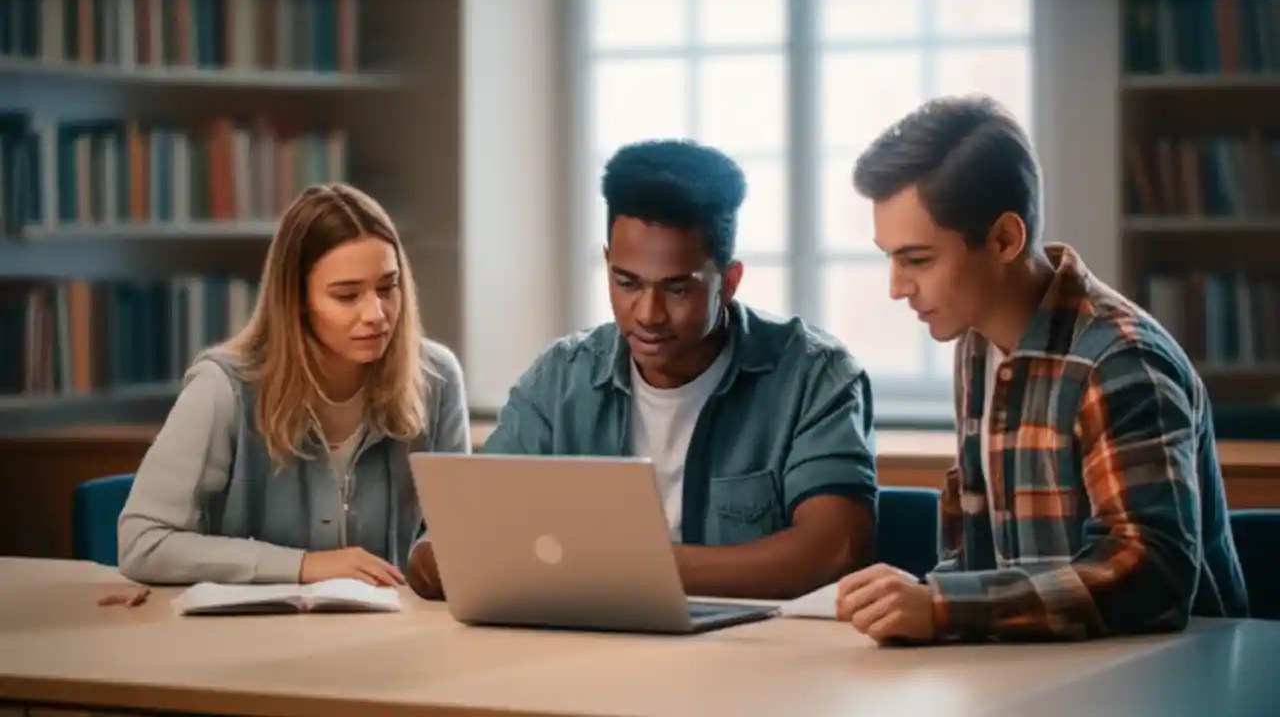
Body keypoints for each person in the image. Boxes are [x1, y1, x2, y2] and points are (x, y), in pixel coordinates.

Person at [835, 95, 1249, 644]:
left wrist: (943, 608)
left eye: (918, 260)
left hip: (1164, 680)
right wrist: (909, 604)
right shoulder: (976, 340)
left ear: (1005, 239)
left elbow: (1153, 579)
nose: (896, 288)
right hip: (1032, 671)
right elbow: (975, 557)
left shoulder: (1122, 361)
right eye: (889, 257)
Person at [406, 139, 877, 602]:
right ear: (608, 263)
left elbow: (833, 549)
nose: (647, 314)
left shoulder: (815, 376)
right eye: (626, 283)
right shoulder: (559, 380)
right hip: (585, 653)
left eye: (676, 290)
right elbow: (466, 533)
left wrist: (627, 567)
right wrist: (437, 556)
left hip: (751, 658)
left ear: (728, 282)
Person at [116, 183, 470, 587]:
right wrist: (301, 566)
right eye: (347, 295)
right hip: (256, 641)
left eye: (388, 287)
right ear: (296, 301)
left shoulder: (437, 378)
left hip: (391, 633)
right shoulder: (223, 388)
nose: (377, 314)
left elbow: (451, 534)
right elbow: (142, 544)